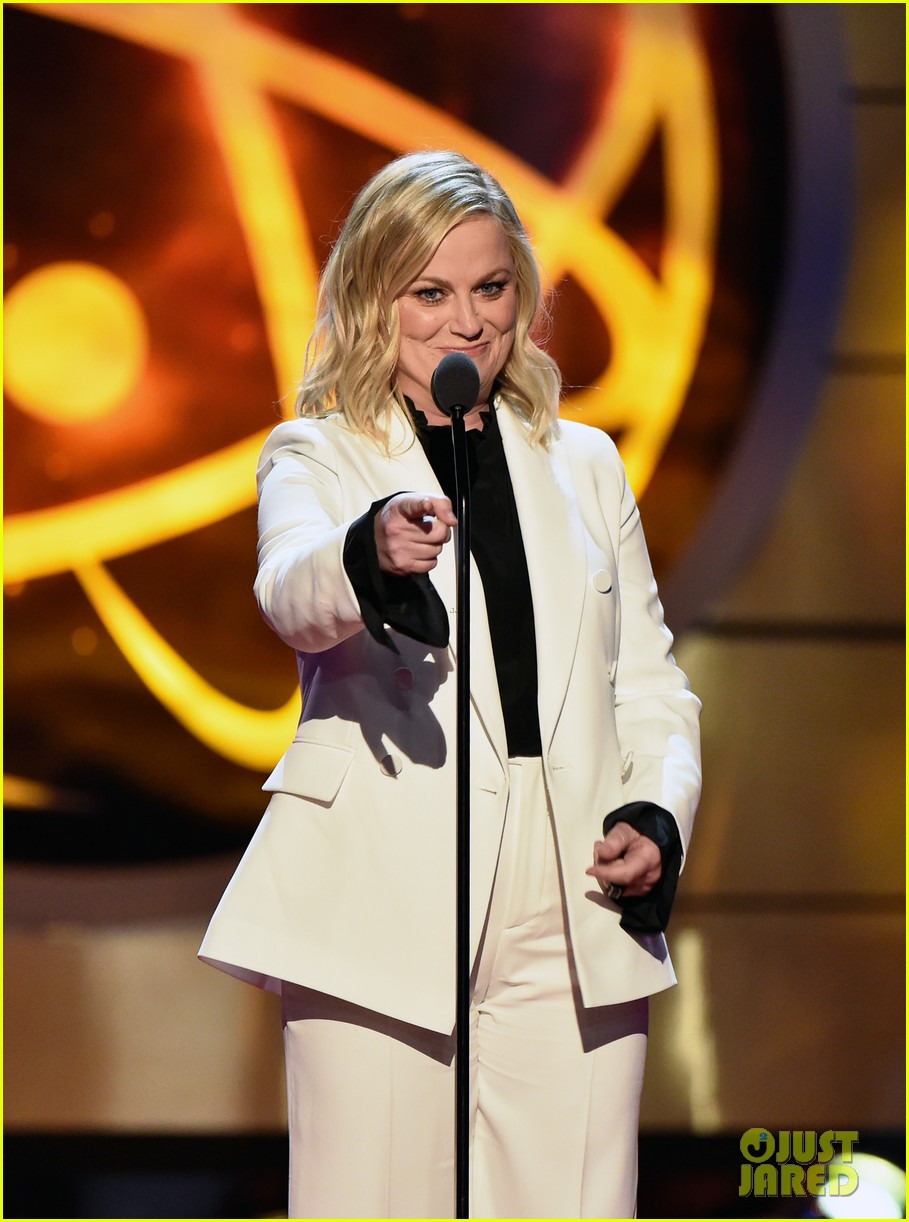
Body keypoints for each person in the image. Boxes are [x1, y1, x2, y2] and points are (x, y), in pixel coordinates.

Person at [199, 149, 701, 1220]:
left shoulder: (586, 463)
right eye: (429, 292)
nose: (466, 322)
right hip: (379, 880)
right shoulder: (321, 455)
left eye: (490, 287)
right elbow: (291, 588)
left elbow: (650, 679)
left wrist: (658, 807)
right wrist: (367, 553)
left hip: (574, 888)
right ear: (375, 301)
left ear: (521, 291)